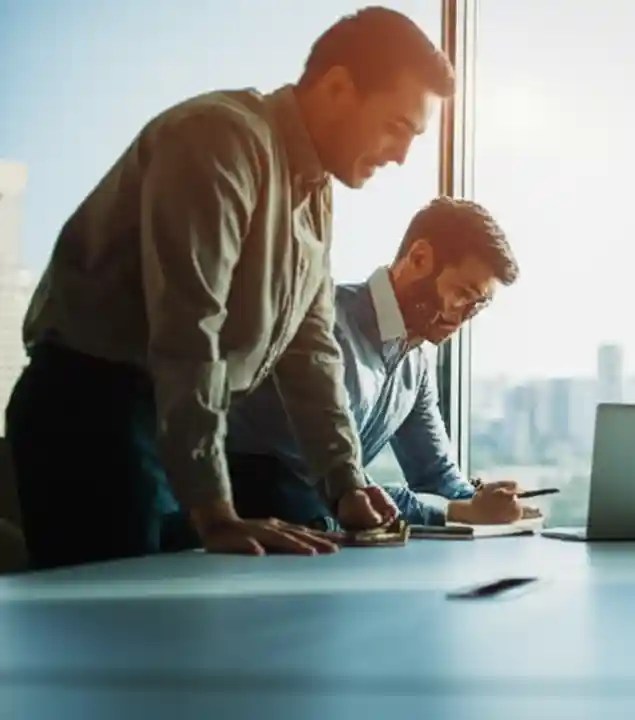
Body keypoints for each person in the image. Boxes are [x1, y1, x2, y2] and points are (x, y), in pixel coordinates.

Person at [6, 7, 455, 568]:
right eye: (397, 127)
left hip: (170, 420)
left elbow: (309, 349)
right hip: (94, 413)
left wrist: (346, 486)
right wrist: (214, 509)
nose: (401, 155)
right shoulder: (218, 140)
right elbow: (190, 326)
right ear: (339, 87)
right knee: (128, 633)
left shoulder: (313, 193)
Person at [226, 197, 534, 528]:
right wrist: (454, 512)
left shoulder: (414, 364)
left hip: (318, 546)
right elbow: (322, 482)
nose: (463, 317)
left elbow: (435, 476)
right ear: (419, 258)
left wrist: (484, 504)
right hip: (244, 542)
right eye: (462, 293)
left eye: (477, 306)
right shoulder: (323, 327)